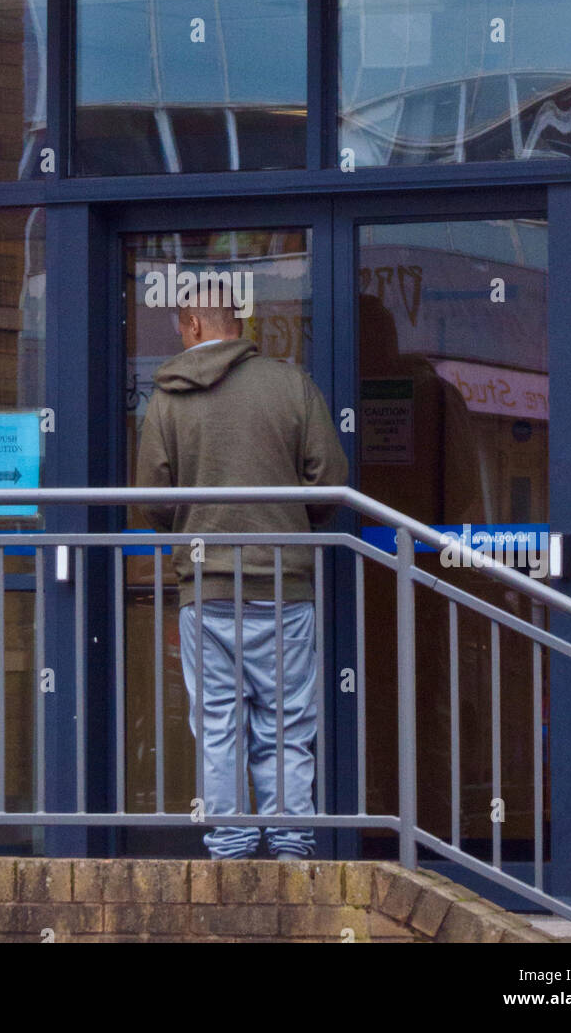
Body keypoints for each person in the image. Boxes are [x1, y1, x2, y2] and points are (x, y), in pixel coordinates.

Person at [134, 285, 348, 859]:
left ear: (194, 325)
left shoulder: (166, 400)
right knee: (286, 725)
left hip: (206, 590)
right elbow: (330, 480)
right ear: (238, 323)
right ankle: (292, 846)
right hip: (283, 584)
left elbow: (151, 500)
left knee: (218, 725)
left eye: (181, 325)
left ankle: (229, 845)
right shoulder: (290, 385)